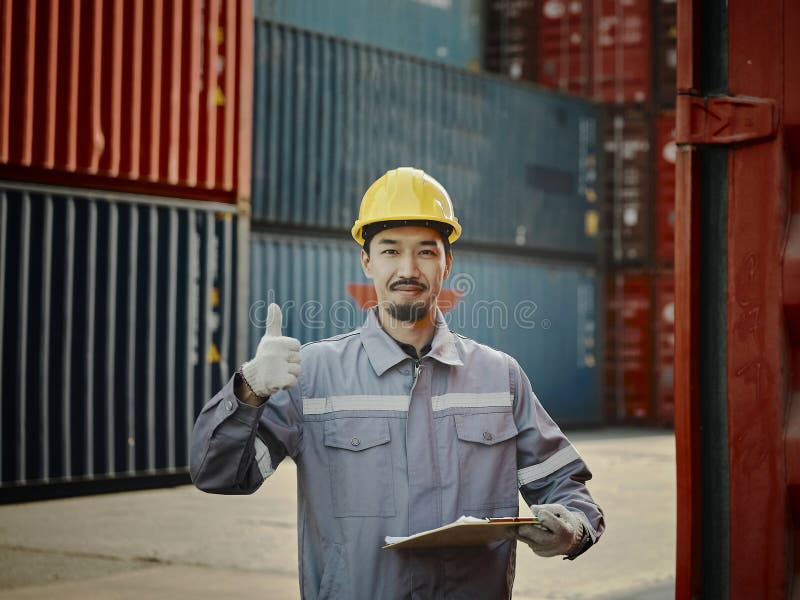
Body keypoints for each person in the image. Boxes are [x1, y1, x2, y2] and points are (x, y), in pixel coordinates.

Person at [190, 167, 605, 599]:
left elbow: (568, 489)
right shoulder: (313, 377)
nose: (408, 269)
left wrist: (571, 529)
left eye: (426, 252)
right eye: (390, 251)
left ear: (448, 262)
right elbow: (218, 475)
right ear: (367, 260)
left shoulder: (500, 378)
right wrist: (249, 389)